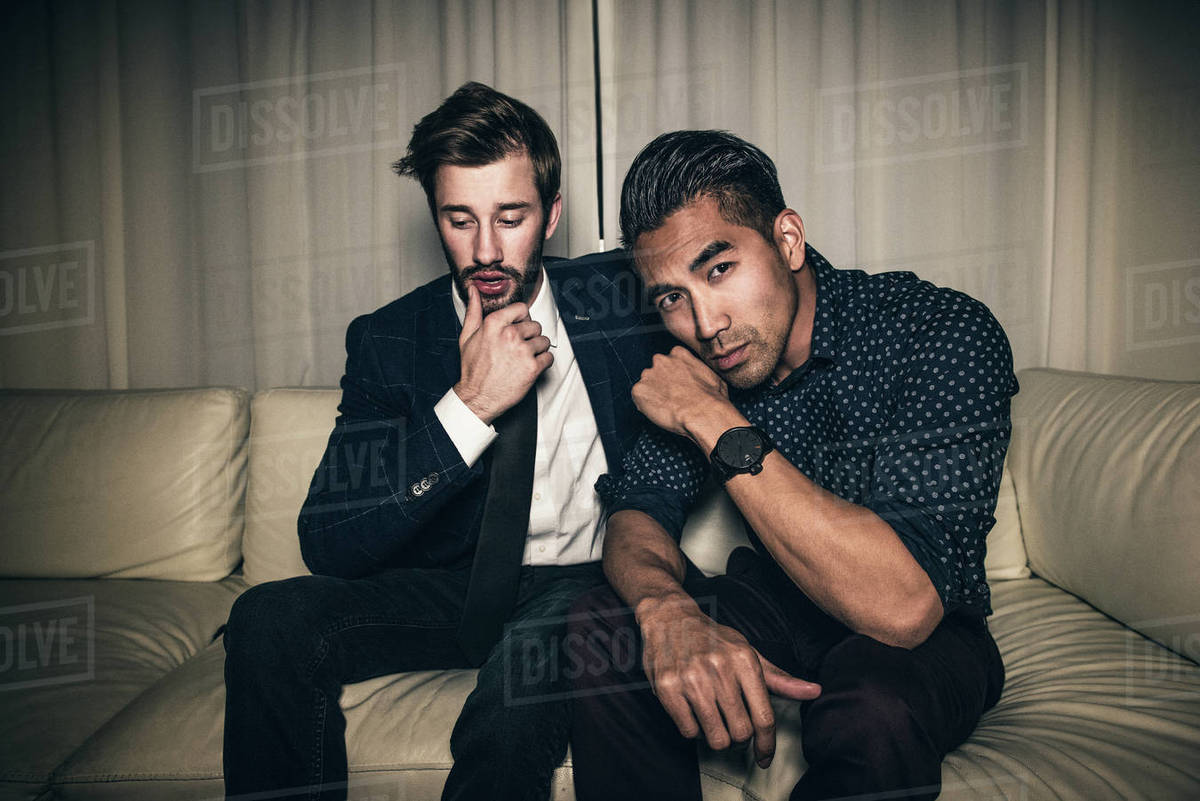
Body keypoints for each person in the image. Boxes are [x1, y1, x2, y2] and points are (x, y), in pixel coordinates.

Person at [221, 82, 662, 801]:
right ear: (436, 218)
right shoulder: (390, 339)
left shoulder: (622, 296)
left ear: (551, 215)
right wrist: (468, 406)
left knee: (512, 697)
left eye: (510, 217)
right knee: (266, 616)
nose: (486, 250)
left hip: (582, 581)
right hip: (452, 590)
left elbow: (747, 277)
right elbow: (328, 537)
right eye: (460, 220)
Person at [567, 130, 1018, 801]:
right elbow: (637, 510)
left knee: (874, 706)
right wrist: (666, 608)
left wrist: (715, 420)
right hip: (775, 603)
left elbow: (904, 605)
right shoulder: (703, 364)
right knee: (601, 628)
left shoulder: (938, 330)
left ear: (787, 238)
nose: (705, 322)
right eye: (670, 297)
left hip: (926, 636)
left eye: (718, 269)